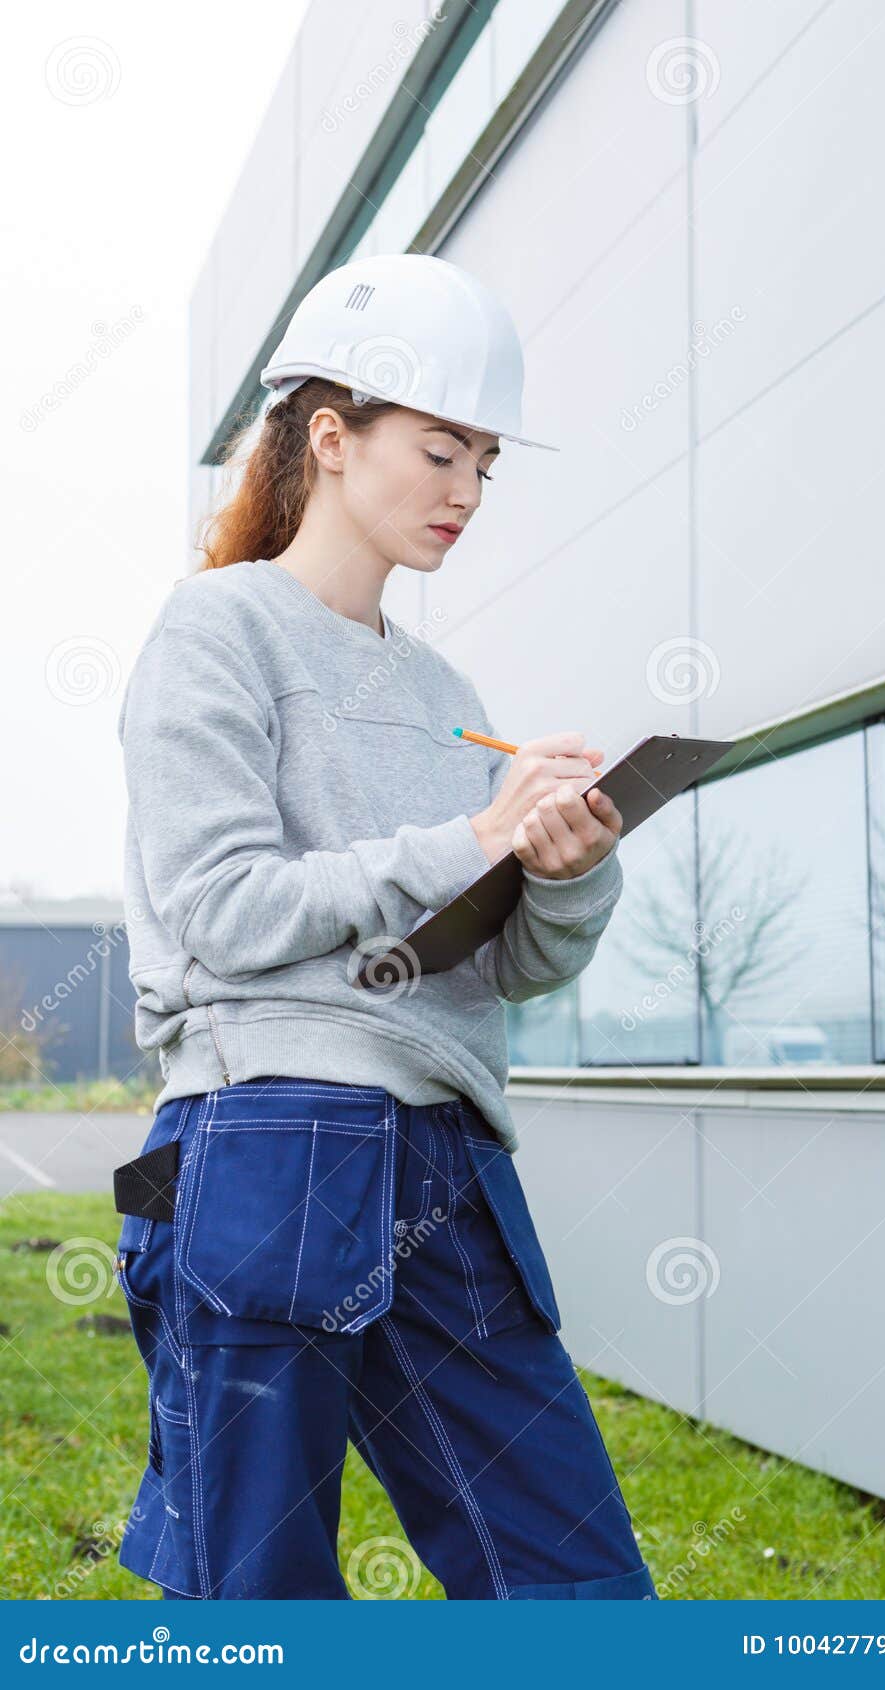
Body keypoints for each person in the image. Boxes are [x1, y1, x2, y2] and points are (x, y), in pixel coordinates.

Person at [112, 252, 657, 1601]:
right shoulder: (216, 628)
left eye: (486, 461)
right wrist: (468, 837)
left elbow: (512, 961)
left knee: (577, 1592)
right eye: (440, 449)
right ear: (332, 437)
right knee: (262, 1601)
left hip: (448, 1159)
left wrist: (565, 865)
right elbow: (219, 908)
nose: (468, 491)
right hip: (267, 1141)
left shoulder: (449, 690)